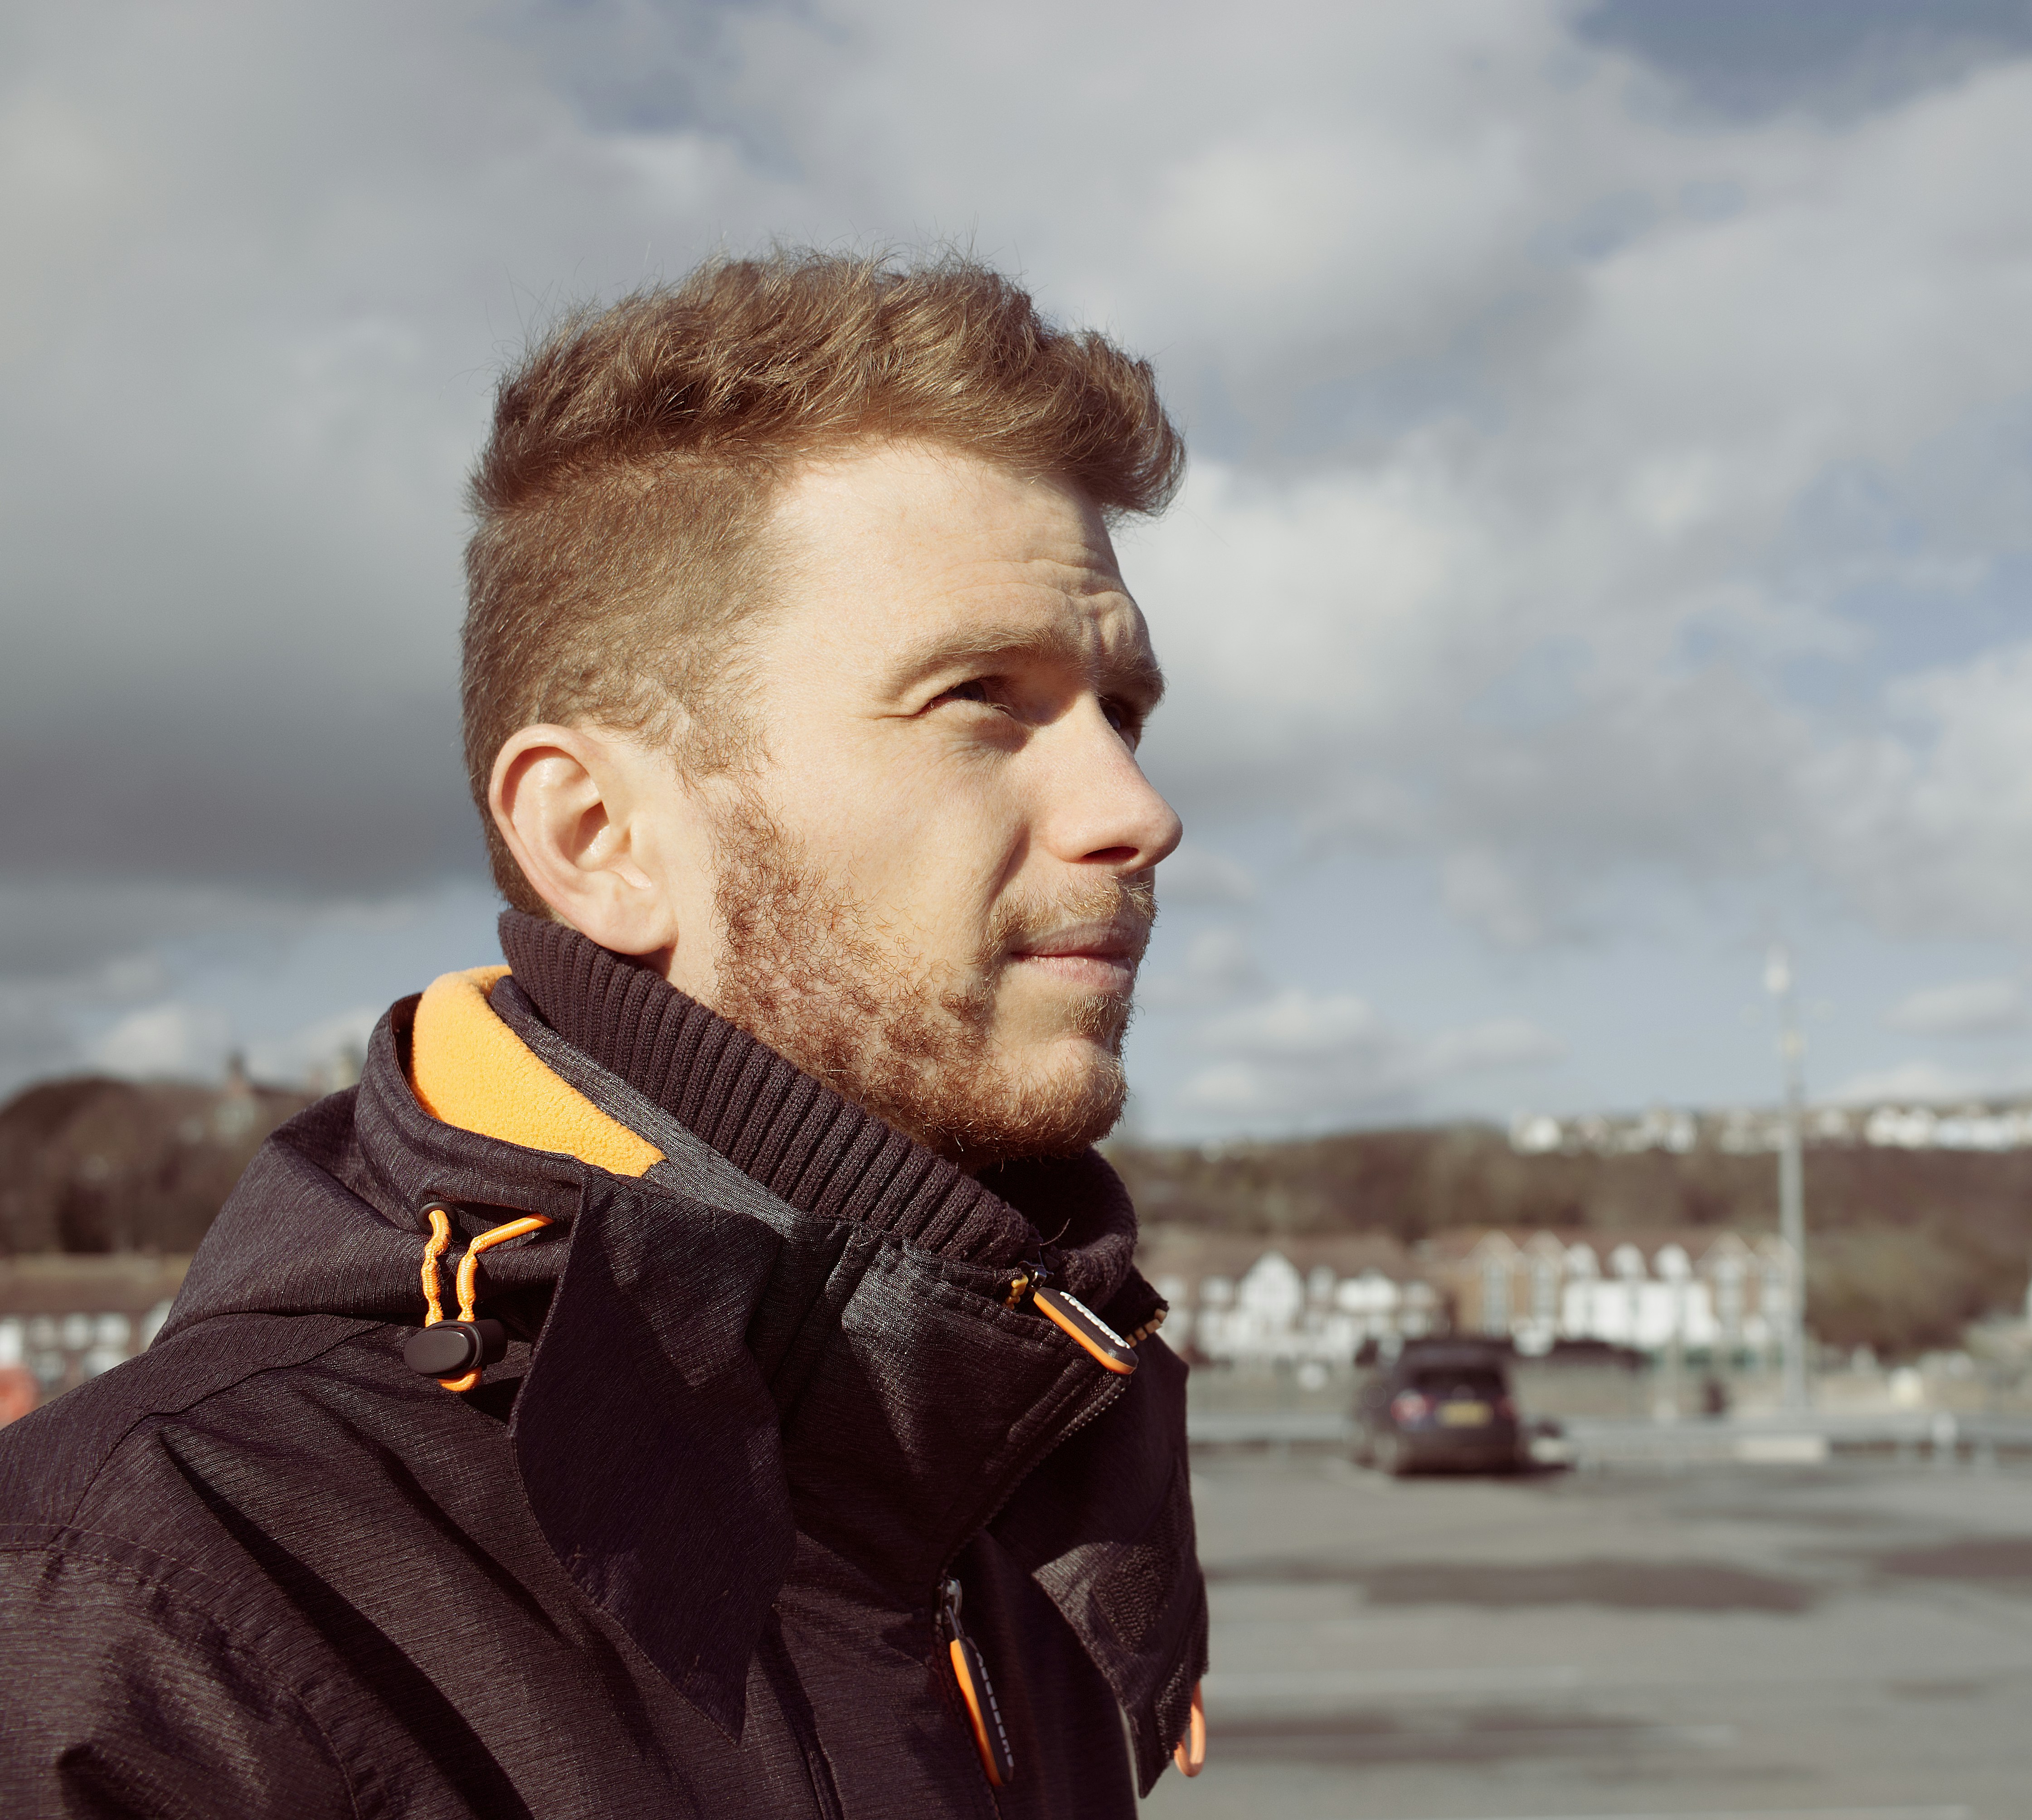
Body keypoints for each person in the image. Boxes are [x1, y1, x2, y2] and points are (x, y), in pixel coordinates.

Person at [0, 250, 1209, 1817]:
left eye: (1123, 712)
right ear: (597, 835)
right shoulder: (138, 1606)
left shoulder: (1009, 1488)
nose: (1137, 812)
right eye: (982, 696)